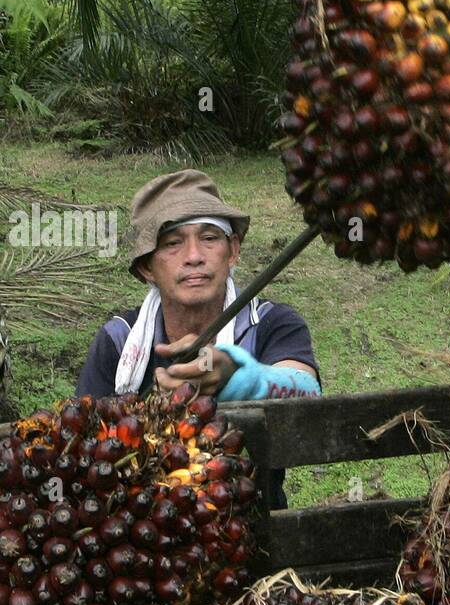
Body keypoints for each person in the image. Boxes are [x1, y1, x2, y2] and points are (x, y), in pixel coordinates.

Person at [77, 168, 321, 506]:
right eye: (173, 243)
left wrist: (238, 375)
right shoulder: (118, 340)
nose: (194, 256)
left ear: (232, 250)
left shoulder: (271, 324)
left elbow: (308, 396)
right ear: (147, 267)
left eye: (209, 238)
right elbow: (85, 449)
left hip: (250, 527)